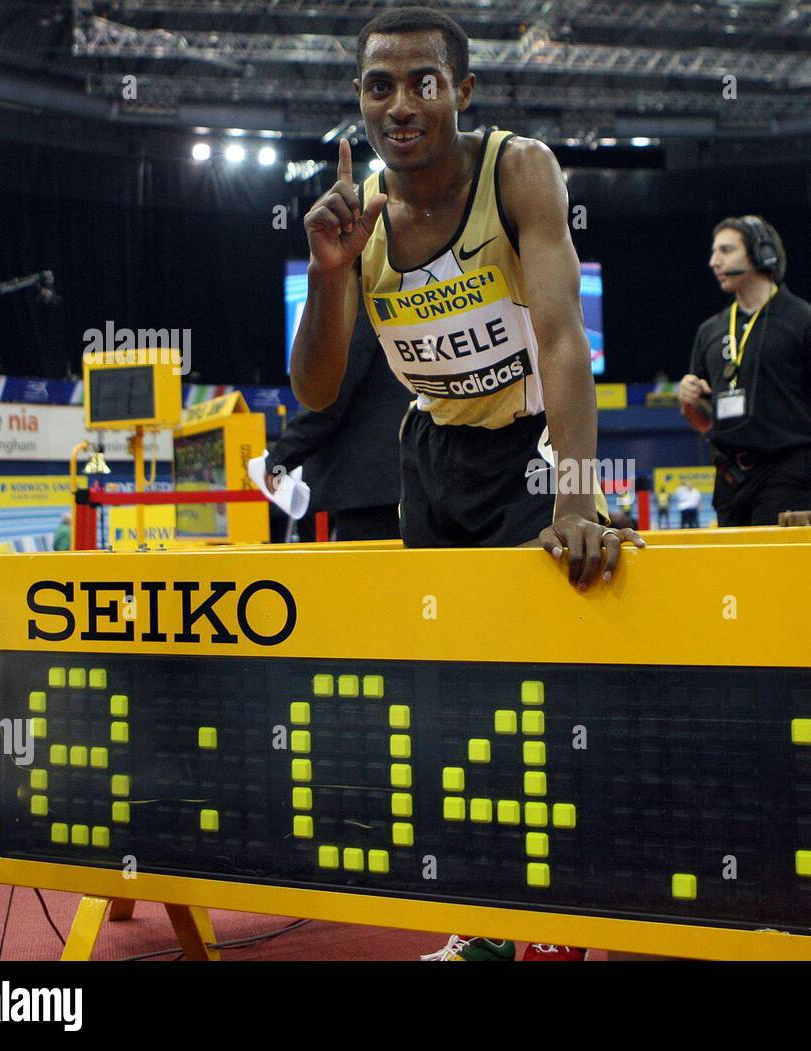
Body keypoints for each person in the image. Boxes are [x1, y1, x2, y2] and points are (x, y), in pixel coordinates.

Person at [291, 4, 640, 961]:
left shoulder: (516, 170)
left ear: (463, 91)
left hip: (532, 445)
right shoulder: (357, 217)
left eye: (422, 82)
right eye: (378, 85)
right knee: (455, 703)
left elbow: (564, 339)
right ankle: (487, 924)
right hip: (433, 458)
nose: (400, 104)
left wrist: (576, 494)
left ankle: (564, 918)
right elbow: (317, 387)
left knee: (546, 693)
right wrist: (328, 276)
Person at [678, 216, 811, 527]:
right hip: (729, 476)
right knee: (737, 574)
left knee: (771, 570)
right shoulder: (710, 331)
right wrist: (689, 404)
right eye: (714, 251)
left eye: (726, 250)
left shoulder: (806, 322)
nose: (714, 261)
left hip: (788, 471)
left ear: (762, 254)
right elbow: (704, 423)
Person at [267, 312, 411, 541]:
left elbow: (328, 394)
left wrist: (278, 459)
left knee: (366, 575)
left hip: (369, 489)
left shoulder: (355, 297)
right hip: (410, 479)